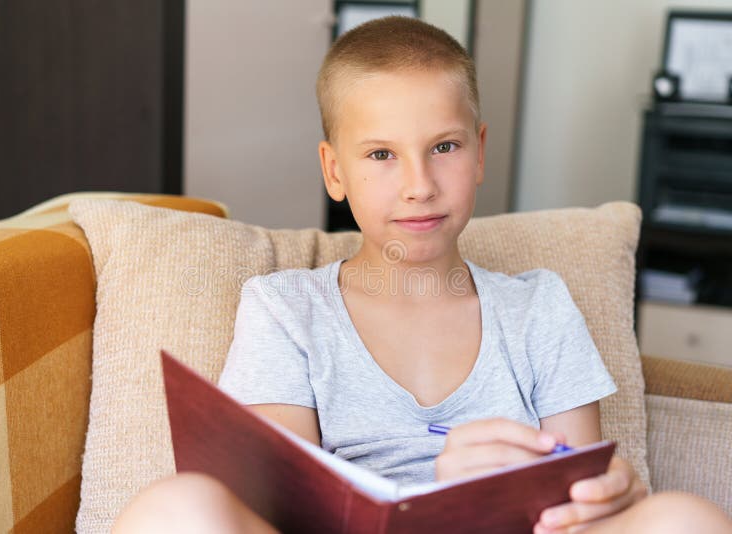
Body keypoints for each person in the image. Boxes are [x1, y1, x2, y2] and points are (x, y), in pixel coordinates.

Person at [113, 16, 732, 534]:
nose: (419, 185)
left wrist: (606, 493)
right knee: (176, 506)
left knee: (687, 518)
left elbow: (575, 499)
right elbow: (280, 506)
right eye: (382, 154)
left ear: (480, 151)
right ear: (334, 172)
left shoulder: (540, 308)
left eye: (444, 147)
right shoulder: (285, 308)